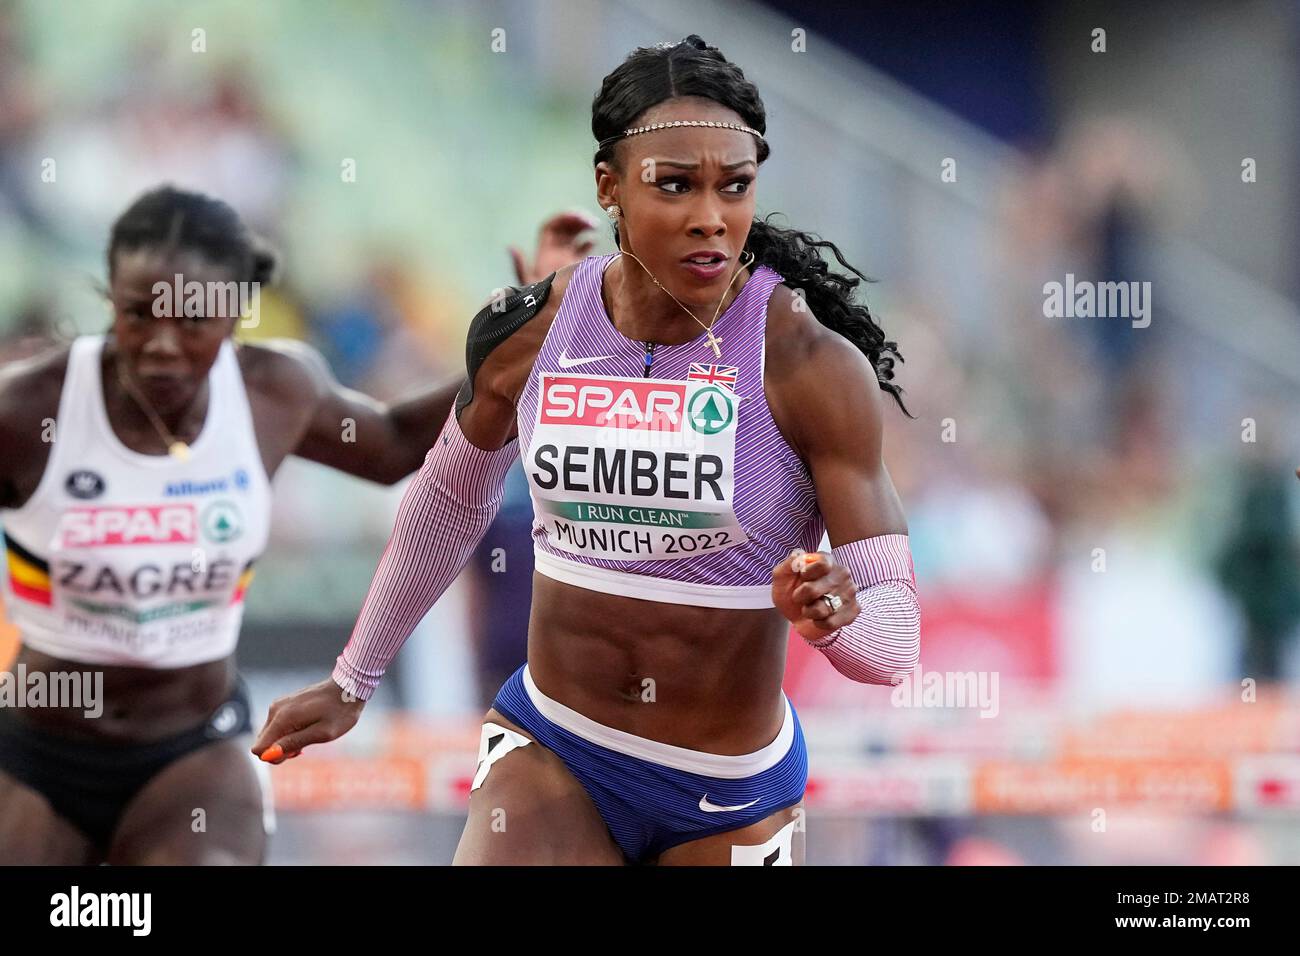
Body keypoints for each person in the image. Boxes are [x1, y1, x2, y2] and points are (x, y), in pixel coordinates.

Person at [255, 35, 921, 866]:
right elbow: (447, 499)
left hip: (727, 792)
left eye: (734, 186)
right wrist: (354, 678)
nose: (710, 216)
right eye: (674, 185)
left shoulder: (809, 365)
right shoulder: (530, 326)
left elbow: (896, 646)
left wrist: (835, 616)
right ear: (609, 185)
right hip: (556, 747)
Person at [0, 185, 594, 864]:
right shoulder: (30, 410)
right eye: (140, 315)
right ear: (110, 300)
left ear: (234, 313)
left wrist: (512, 354)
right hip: (38, 756)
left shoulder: (271, 392)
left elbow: (395, 444)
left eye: (193, 319)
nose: (163, 346)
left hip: (189, 754)